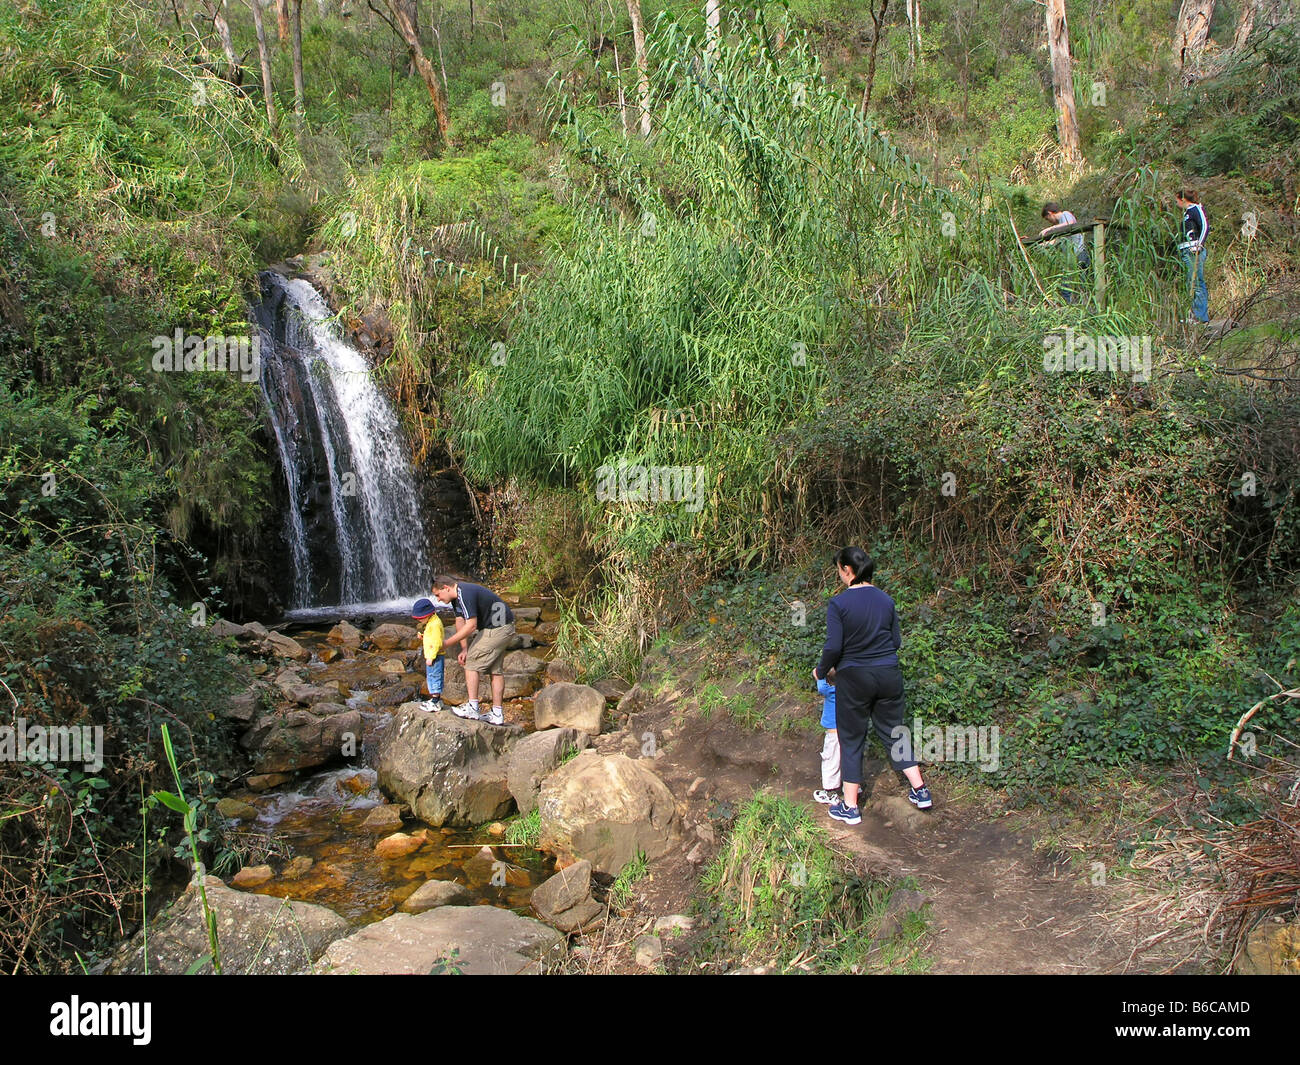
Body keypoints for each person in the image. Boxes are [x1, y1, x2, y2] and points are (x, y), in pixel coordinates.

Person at [812, 547, 932, 826]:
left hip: (855, 679)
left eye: (839, 570)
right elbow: (896, 642)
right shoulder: (886, 600)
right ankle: (921, 791)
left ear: (847, 571)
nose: (839, 575)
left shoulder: (839, 604)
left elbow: (833, 646)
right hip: (889, 674)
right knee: (893, 732)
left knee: (852, 738)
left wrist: (821, 671)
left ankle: (850, 807)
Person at [431, 574, 516, 726]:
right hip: (504, 626)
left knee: (471, 663)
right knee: (495, 670)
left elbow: (471, 626)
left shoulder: (464, 593)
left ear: (446, 588)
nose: (438, 599)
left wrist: (446, 644)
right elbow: (460, 621)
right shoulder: (456, 598)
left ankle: (472, 707)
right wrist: (464, 648)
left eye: (438, 595)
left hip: (498, 628)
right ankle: (497, 714)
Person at [1040, 201, 1090, 304]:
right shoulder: (1060, 226)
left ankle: (1075, 306)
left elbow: (1070, 224)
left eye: (1047, 219)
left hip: (1079, 254)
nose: (1049, 221)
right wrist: (1039, 245)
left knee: (1073, 282)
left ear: (1050, 213)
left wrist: (1050, 229)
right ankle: (1074, 306)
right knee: (1070, 283)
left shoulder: (1065, 214)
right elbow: (1055, 242)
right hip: (1072, 257)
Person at [1175, 189, 1210, 324]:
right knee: (1190, 282)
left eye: (1176, 200)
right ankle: (1193, 314)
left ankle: (1200, 317)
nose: (1176, 203)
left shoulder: (1196, 209)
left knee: (1196, 283)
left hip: (1193, 251)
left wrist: (1199, 245)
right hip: (1185, 251)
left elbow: (1205, 226)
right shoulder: (1187, 214)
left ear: (1182, 200)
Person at [411, 597, 446, 713]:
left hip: (435, 656)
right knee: (432, 677)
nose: (420, 621)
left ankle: (435, 701)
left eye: (421, 619)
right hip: (433, 655)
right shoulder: (432, 621)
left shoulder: (435, 624)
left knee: (434, 676)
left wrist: (431, 657)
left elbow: (436, 642)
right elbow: (431, 637)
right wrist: (423, 636)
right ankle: (436, 700)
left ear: (428, 614)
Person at [813, 669, 841, 806]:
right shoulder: (850, 689)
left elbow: (817, 675)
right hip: (850, 731)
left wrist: (819, 672)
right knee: (848, 758)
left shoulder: (829, 690)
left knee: (831, 760)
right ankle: (854, 787)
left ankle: (830, 792)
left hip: (834, 734)